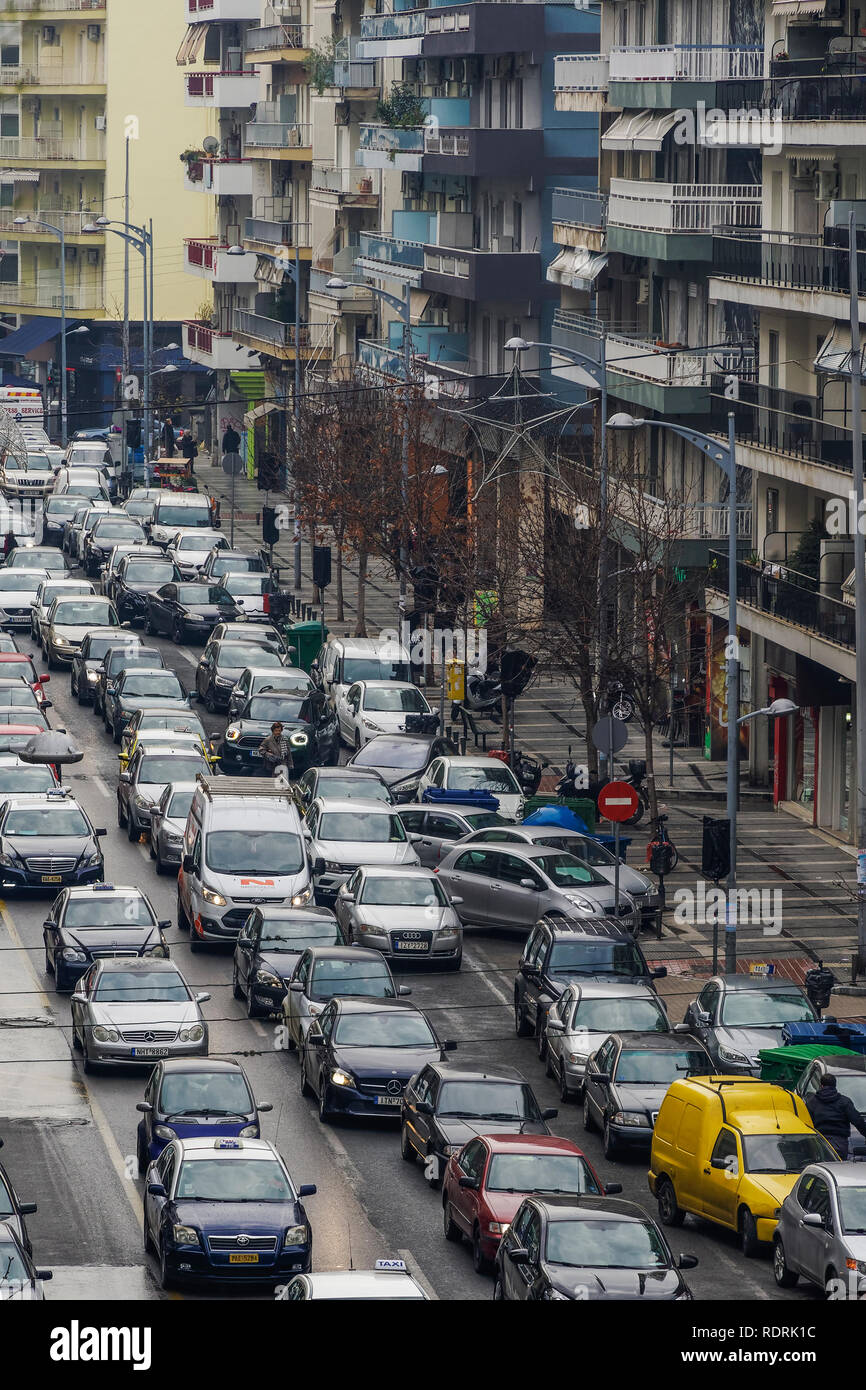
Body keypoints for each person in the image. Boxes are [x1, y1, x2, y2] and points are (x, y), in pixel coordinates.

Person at [805, 1073, 866, 1160]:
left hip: (819, 1143)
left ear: (821, 1085)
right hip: (840, 1144)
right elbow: (858, 1121)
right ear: (835, 1085)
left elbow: (806, 1124)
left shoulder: (812, 1102)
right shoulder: (844, 1102)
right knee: (839, 1169)